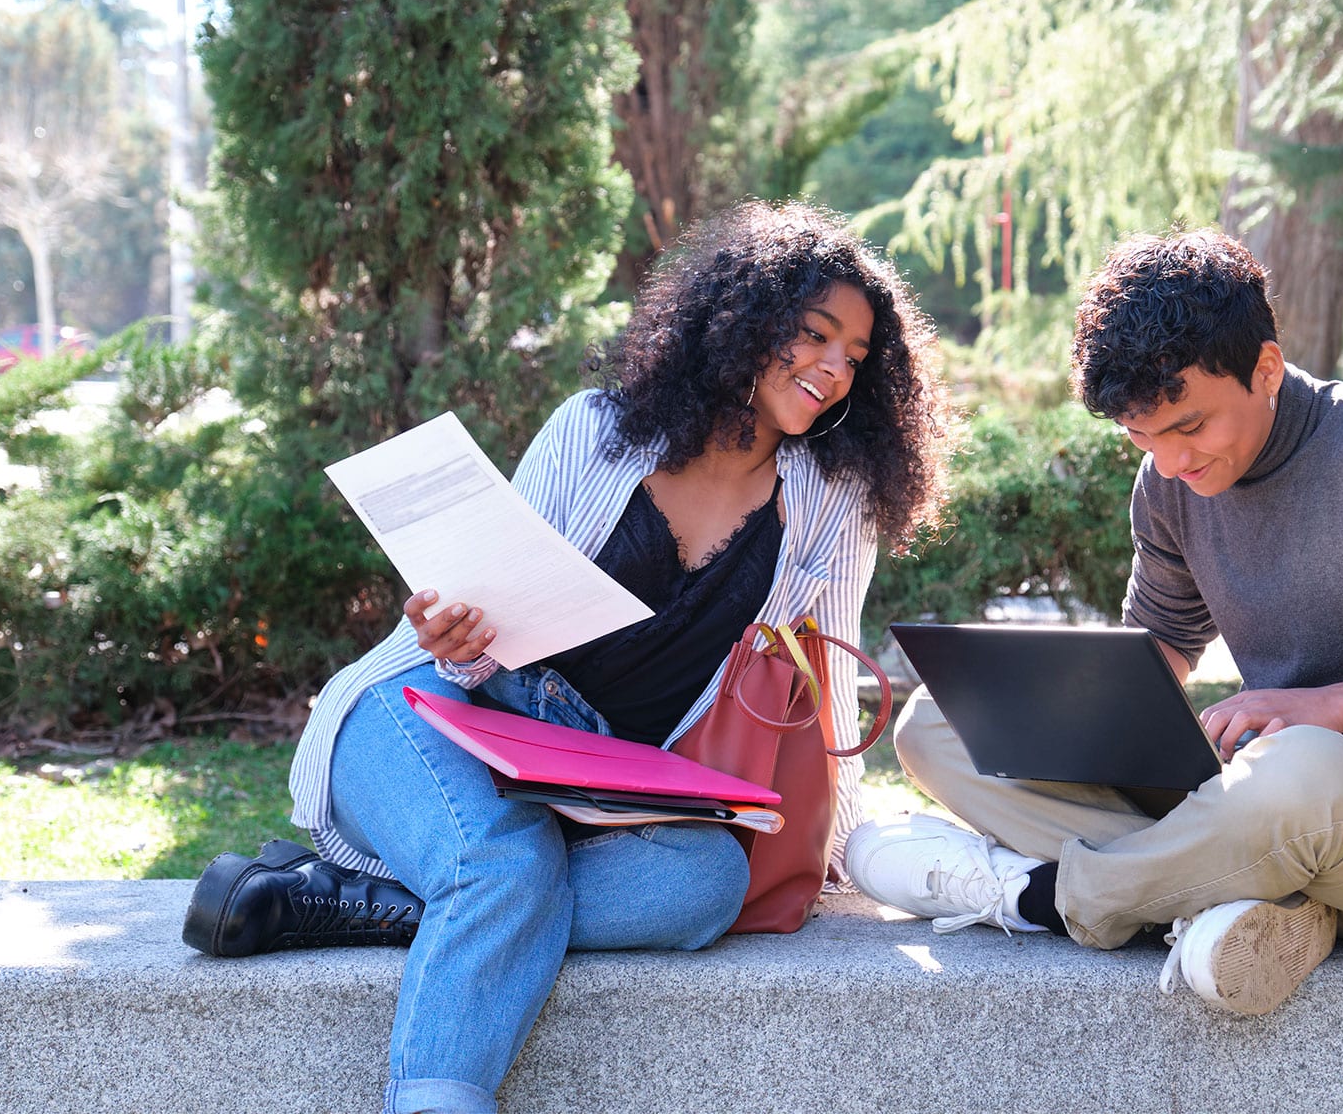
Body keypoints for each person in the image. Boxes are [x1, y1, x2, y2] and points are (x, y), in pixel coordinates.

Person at [181, 201, 952, 1114]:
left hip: (595, 778)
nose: (833, 368)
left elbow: (821, 677)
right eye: (814, 334)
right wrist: (457, 642)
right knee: (505, 865)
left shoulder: (831, 498)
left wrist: (834, 841)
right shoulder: (596, 430)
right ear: (743, 320)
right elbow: (484, 607)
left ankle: (381, 905)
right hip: (432, 709)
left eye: (855, 356)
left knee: (708, 881)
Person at [844, 227, 1343, 1016]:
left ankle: (1039, 896)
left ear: (1265, 368)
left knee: (1301, 767)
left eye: (1189, 427)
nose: (1170, 462)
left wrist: (1329, 708)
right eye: (1141, 436)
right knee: (940, 724)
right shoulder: (1167, 485)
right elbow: (1162, 644)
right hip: (1248, 795)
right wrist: (1063, 701)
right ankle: (1243, 901)